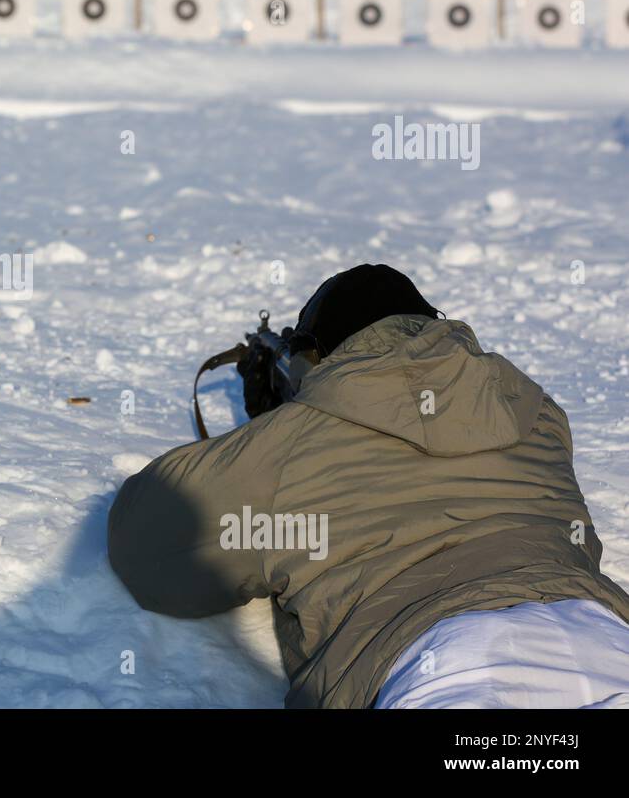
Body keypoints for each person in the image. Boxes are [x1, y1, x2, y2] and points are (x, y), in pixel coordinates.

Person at [108, 264, 629, 708]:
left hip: (446, 666)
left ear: (313, 359)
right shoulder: (535, 411)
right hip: (605, 636)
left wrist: (273, 428)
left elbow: (149, 548)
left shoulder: (292, 445)